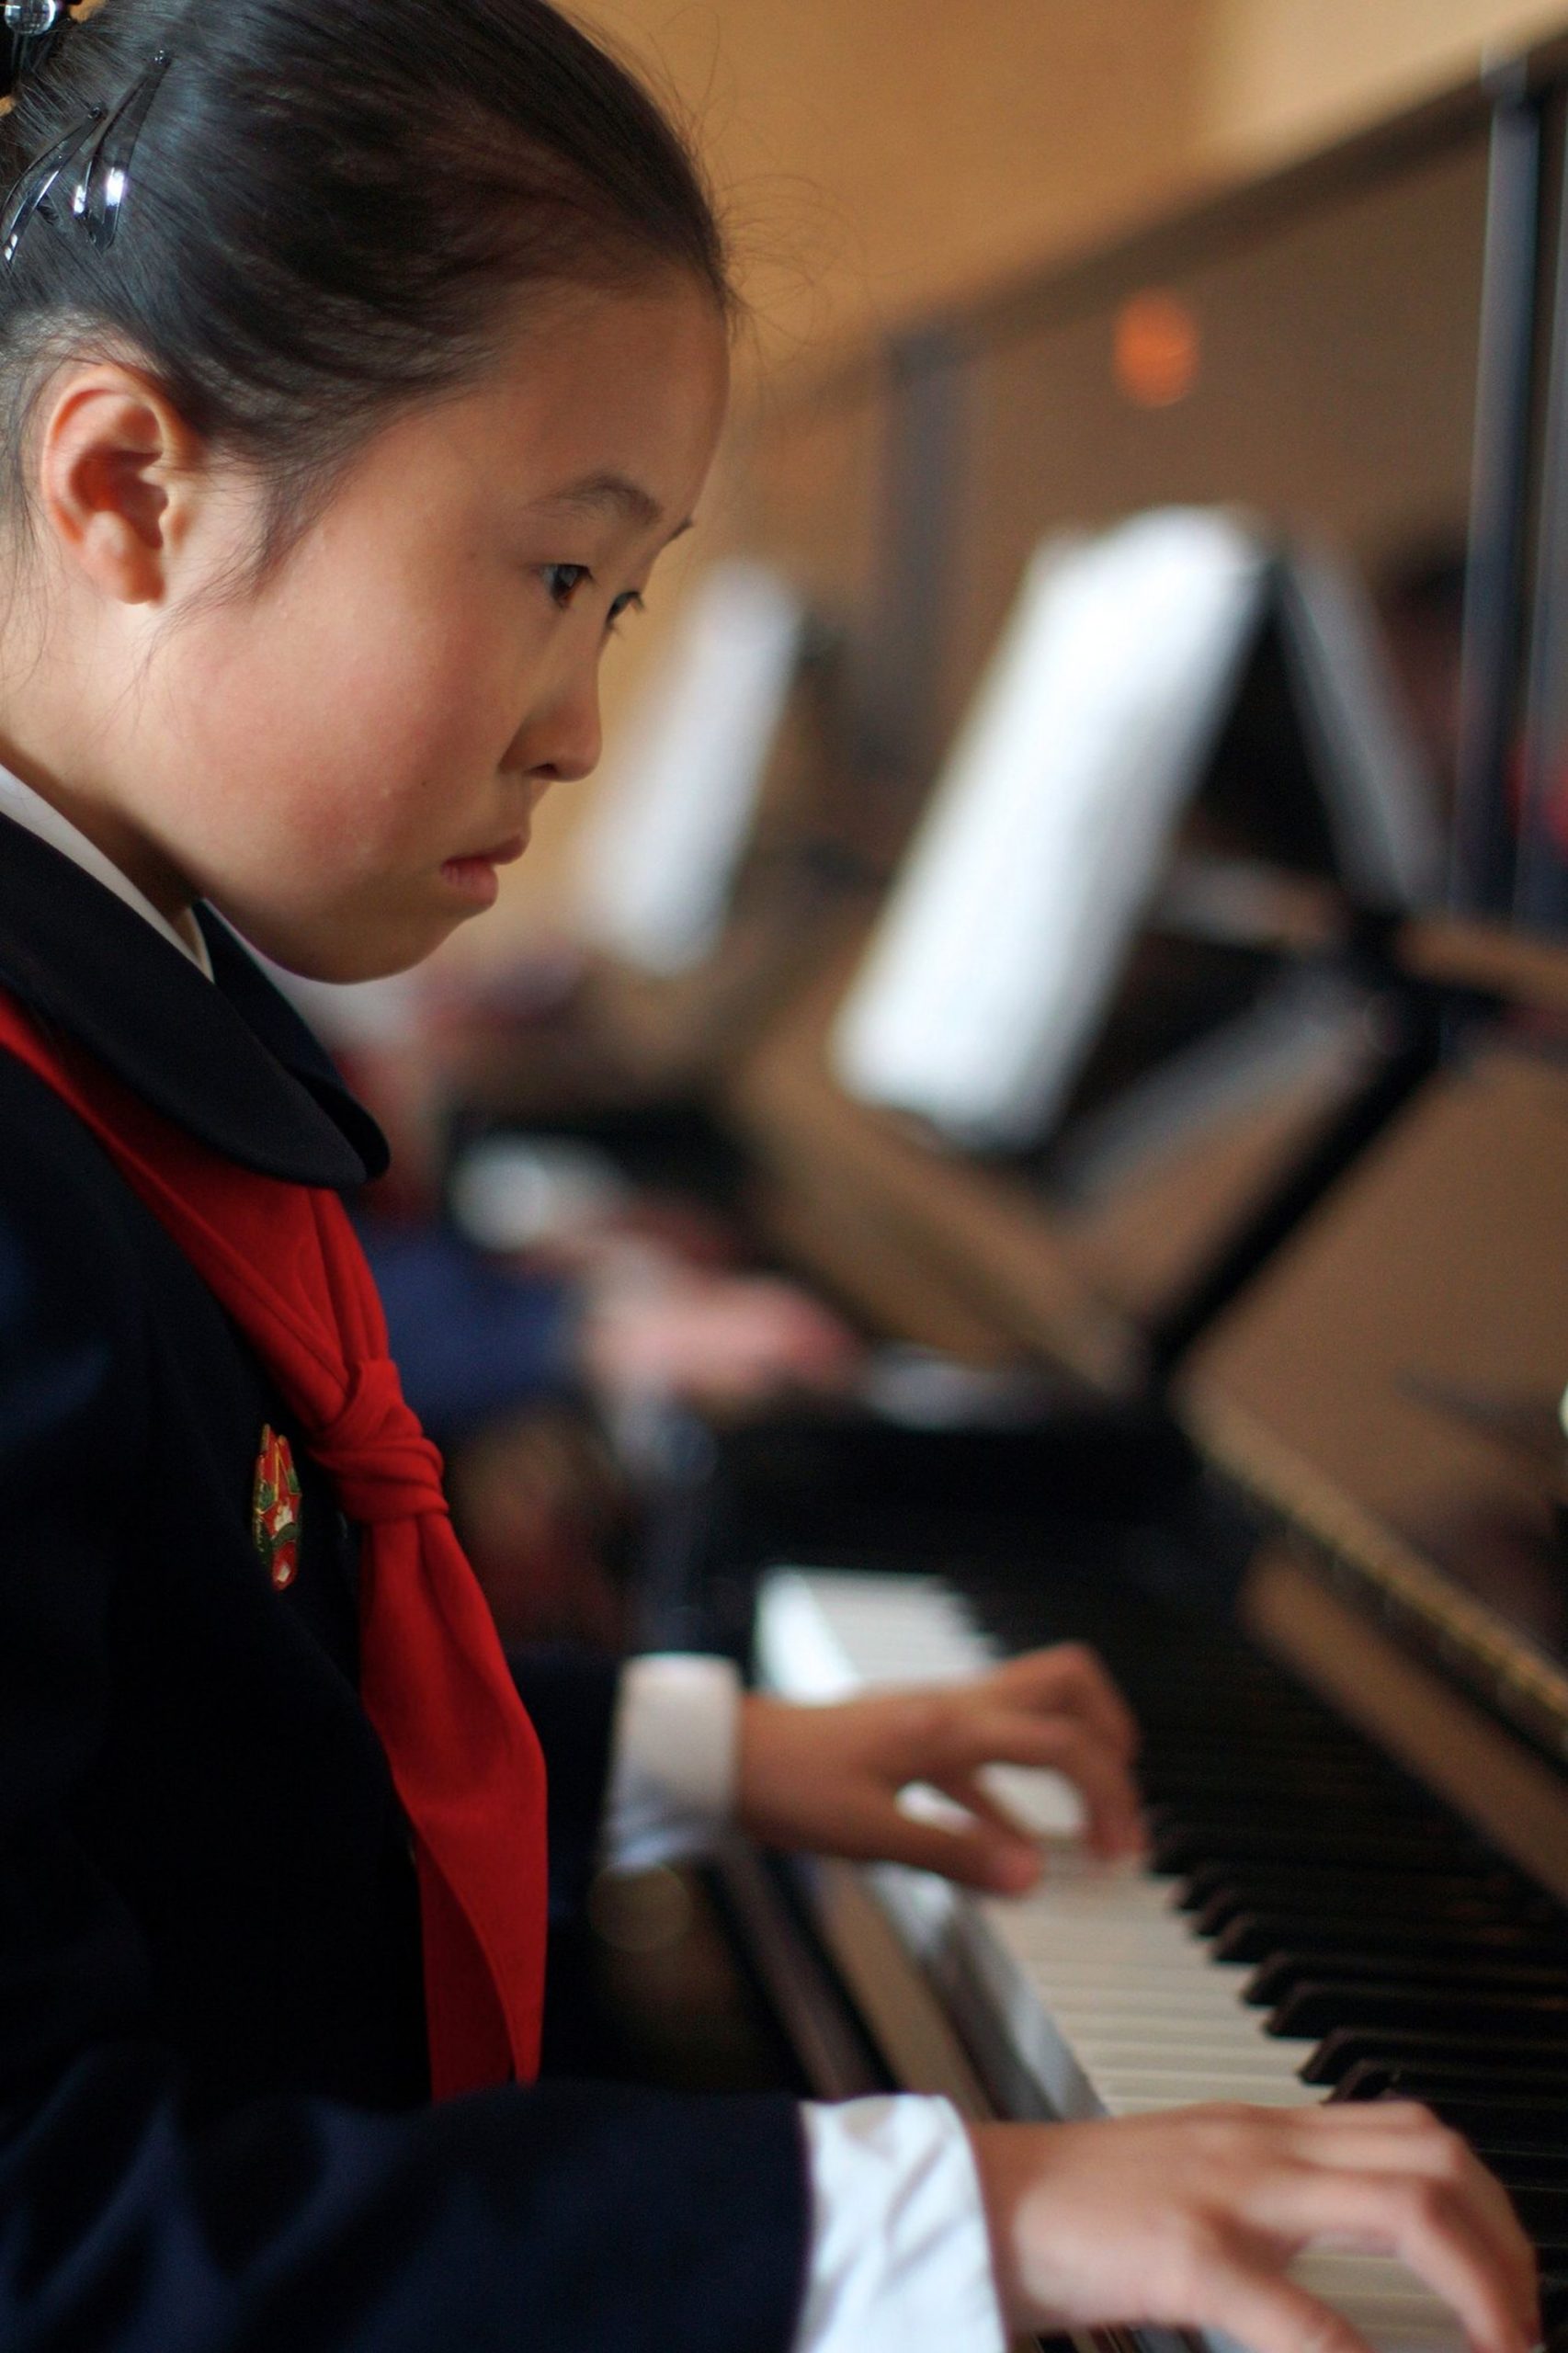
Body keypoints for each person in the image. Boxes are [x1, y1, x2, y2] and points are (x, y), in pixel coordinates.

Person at [0, 4, 1540, 2349]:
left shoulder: (119, 995)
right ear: (128, 490)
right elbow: (46, 2230)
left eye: (617, 606)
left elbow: (214, 1726)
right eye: (551, 575)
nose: (585, 720)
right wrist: (943, 2214)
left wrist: (713, 1745)